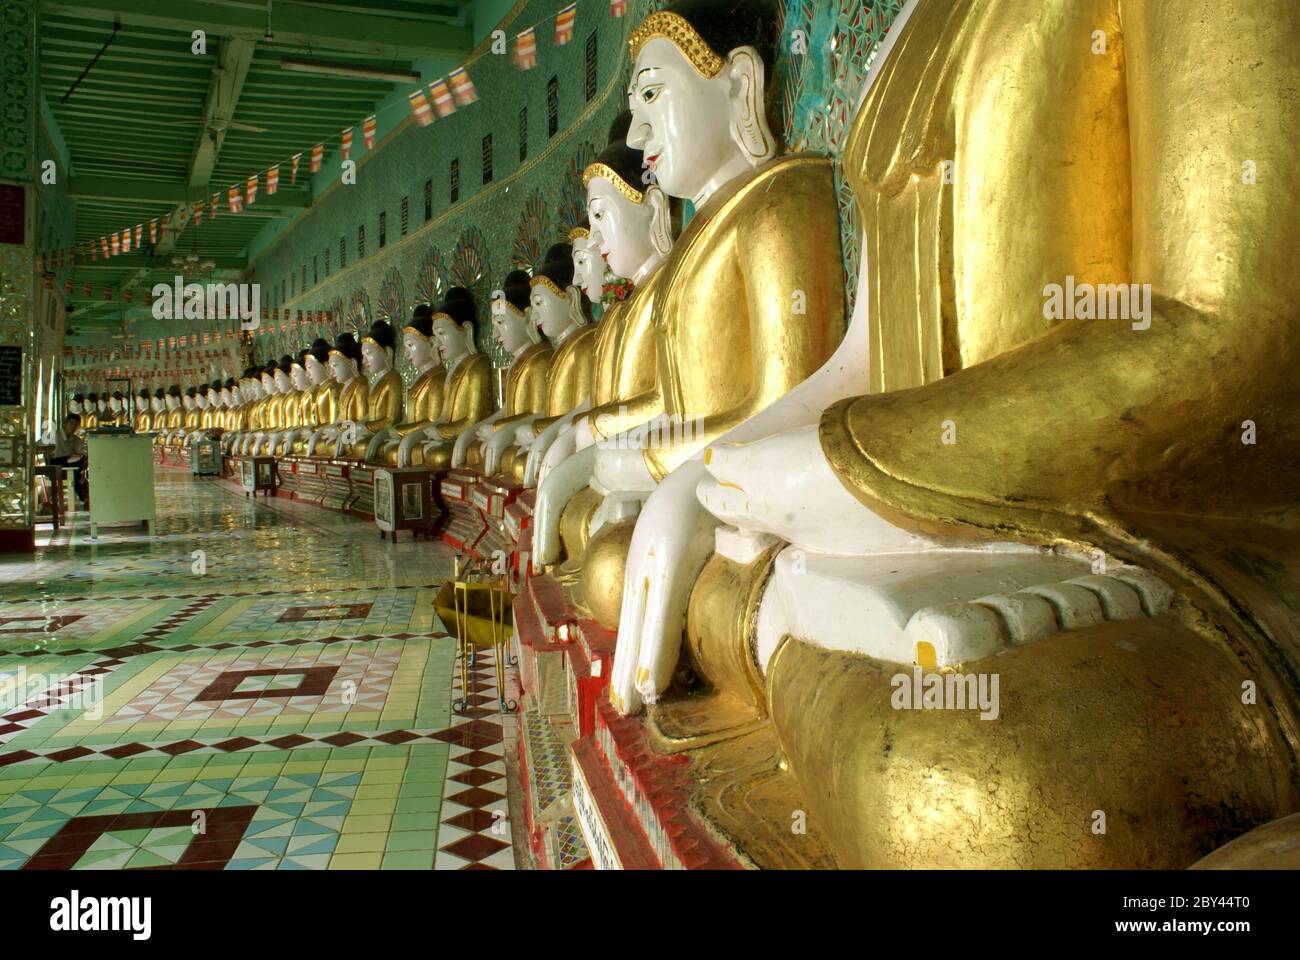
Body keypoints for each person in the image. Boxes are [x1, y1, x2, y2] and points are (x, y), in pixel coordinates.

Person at [49, 413, 88, 507]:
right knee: (77, 473)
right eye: (71, 423)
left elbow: (83, 450)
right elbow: (40, 446)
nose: (73, 426)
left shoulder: (74, 439)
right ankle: (83, 496)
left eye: (76, 424)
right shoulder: (54, 435)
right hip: (54, 465)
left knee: (81, 463)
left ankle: (84, 496)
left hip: (66, 464)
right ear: (65, 423)